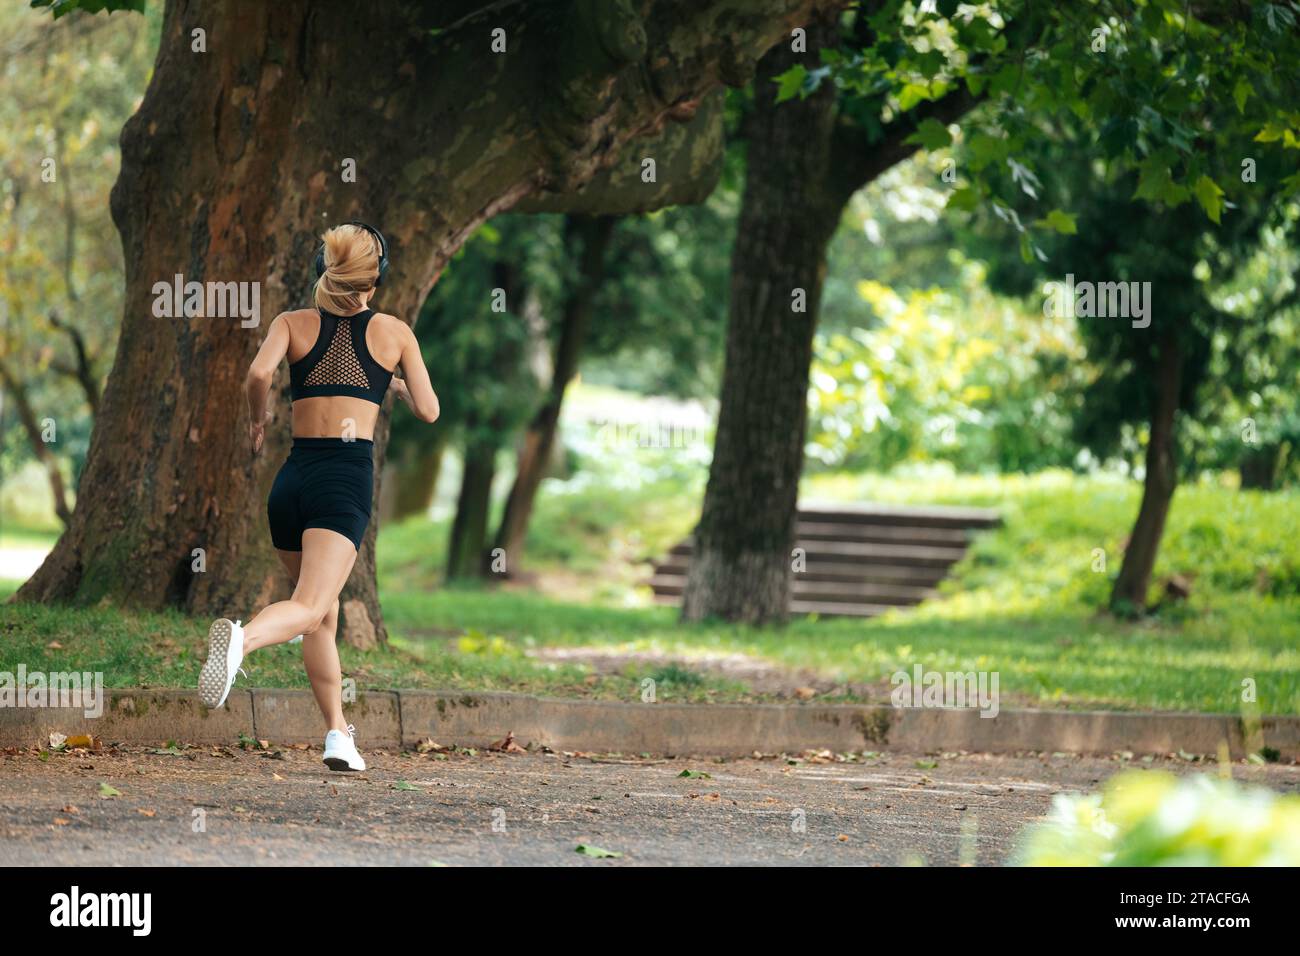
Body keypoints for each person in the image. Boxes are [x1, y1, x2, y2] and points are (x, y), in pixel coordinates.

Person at [198, 222, 439, 771]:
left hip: (292, 482)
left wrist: (257, 422)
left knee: (322, 613)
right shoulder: (395, 333)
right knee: (309, 609)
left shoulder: (292, 322)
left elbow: (258, 373)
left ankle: (337, 735)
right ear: (375, 282)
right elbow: (430, 411)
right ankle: (242, 640)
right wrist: (396, 384)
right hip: (342, 484)